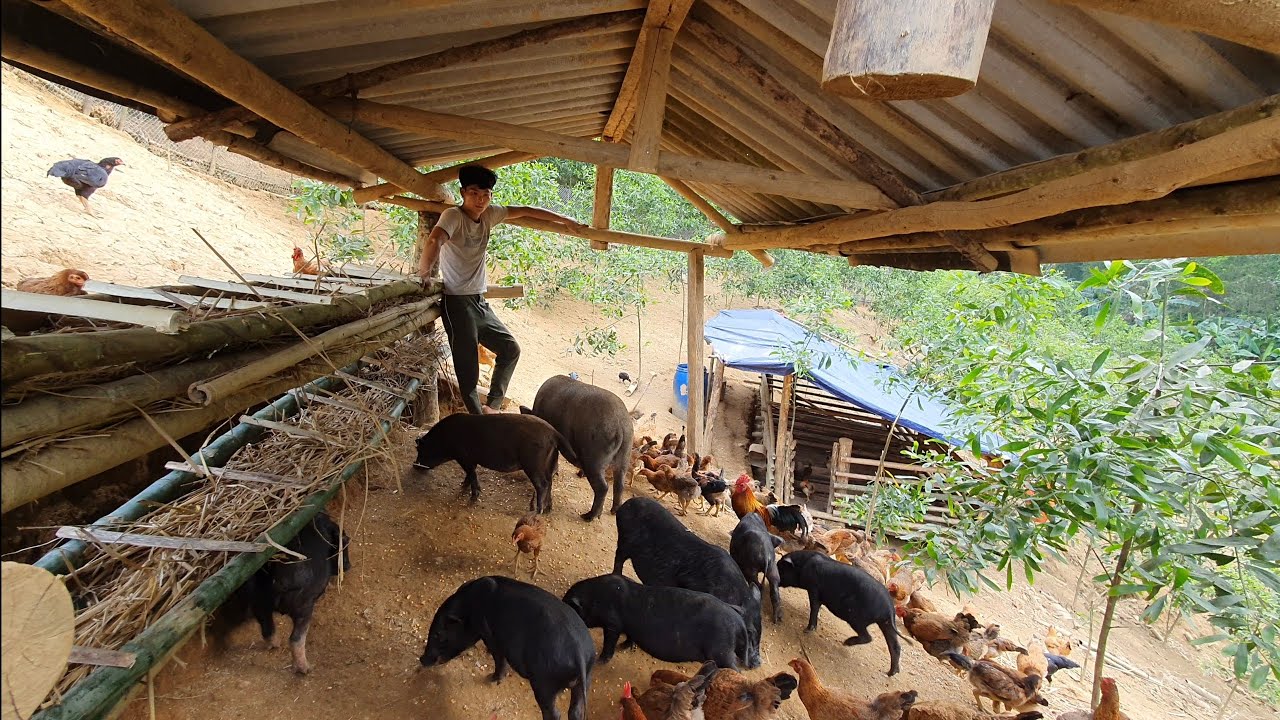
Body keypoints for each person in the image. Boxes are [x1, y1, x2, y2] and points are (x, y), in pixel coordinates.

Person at [418, 165, 586, 414]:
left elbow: (526, 211)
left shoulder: (489, 214)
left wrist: (565, 220)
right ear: (463, 192)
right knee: (468, 372)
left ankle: (492, 407)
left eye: (486, 194)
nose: (480, 200)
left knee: (510, 349)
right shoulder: (453, 216)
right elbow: (435, 239)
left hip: (478, 302)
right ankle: (479, 421)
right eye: (474, 193)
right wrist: (424, 272)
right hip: (457, 304)